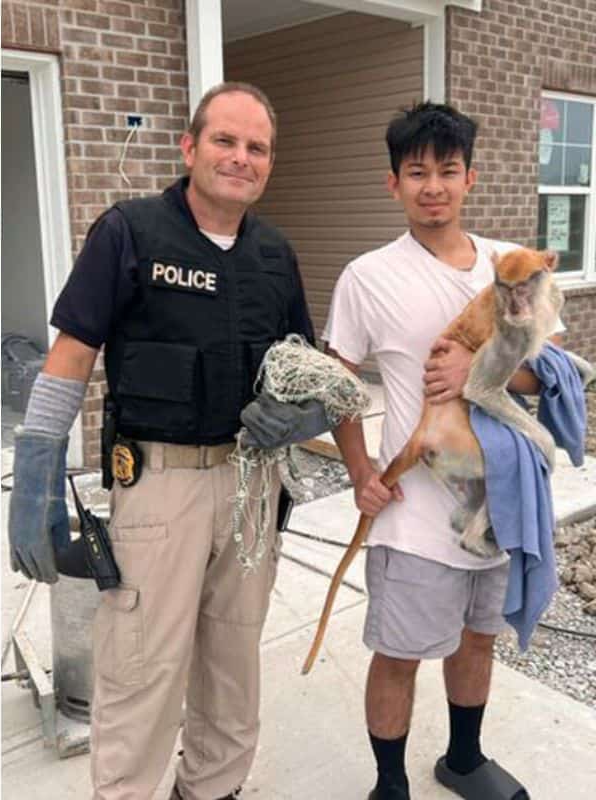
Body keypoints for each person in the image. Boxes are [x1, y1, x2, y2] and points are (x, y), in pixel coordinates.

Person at [8, 82, 315, 800]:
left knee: (233, 664)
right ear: (189, 147)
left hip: (252, 488)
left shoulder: (275, 254)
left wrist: (302, 416)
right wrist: (35, 481)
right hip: (160, 488)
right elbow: (71, 359)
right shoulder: (130, 233)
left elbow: (306, 362)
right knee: (142, 671)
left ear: (269, 163)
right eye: (225, 141)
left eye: (257, 147)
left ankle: (211, 789)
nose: (241, 158)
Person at [323, 102, 548, 800]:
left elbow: (549, 371)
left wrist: (482, 373)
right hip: (415, 513)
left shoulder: (508, 266)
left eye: (447, 171)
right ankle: (390, 785)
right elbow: (337, 382)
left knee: (478, 641)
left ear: (470, 178)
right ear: (393, 183)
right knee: (399, 654)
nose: (433, 186)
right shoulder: (368, 276)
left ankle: (464, 759)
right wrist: (360, 470)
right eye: (416, 172)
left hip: (500, 504)